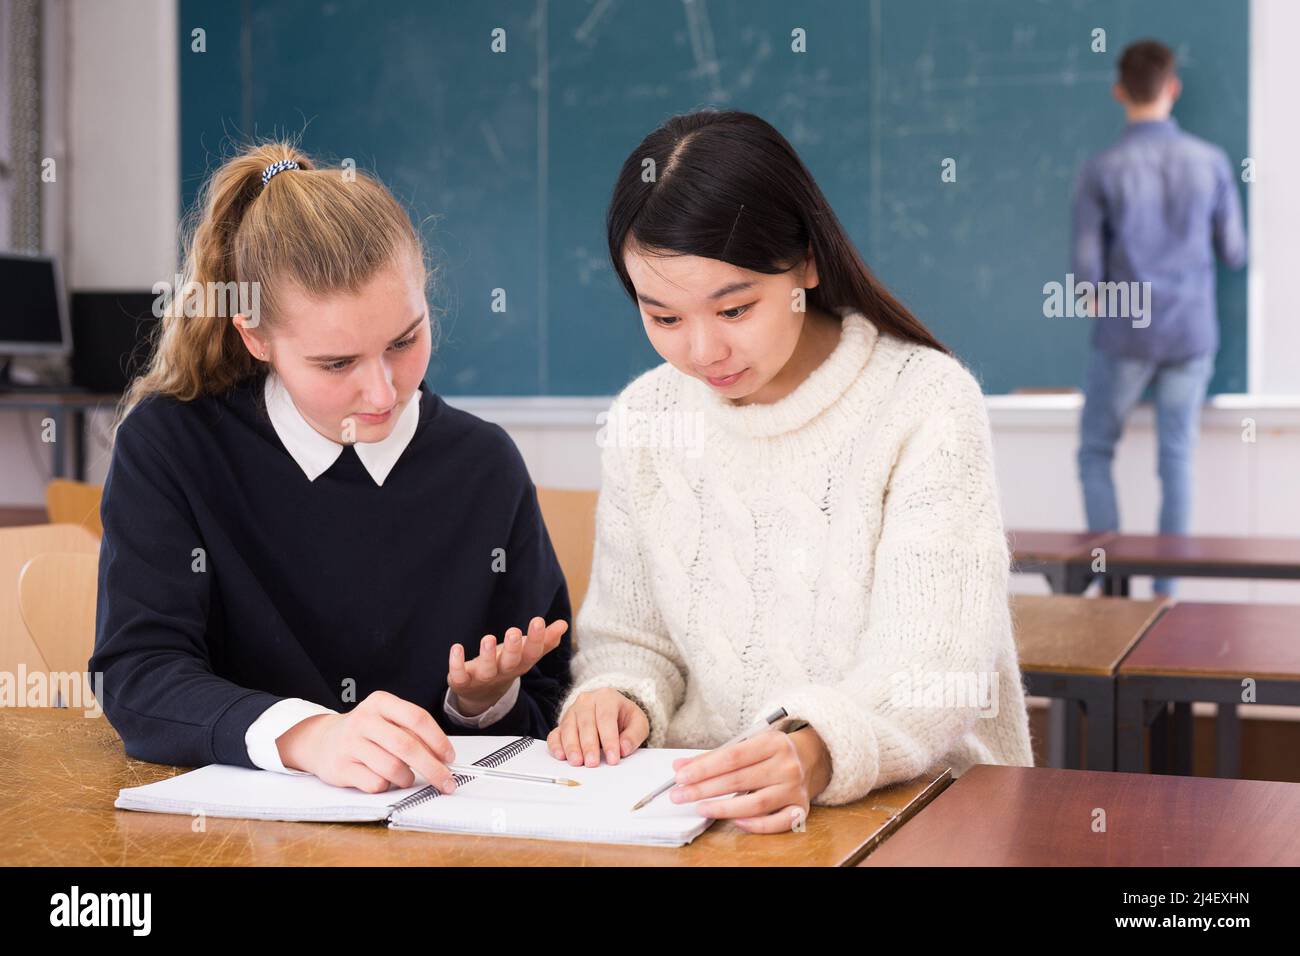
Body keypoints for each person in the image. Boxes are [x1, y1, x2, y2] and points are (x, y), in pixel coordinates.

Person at [547, 110, 1033, 833]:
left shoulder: (925, 401)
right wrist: (617, 696)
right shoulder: (646, 420)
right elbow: (632, 641)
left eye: (735, 307)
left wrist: (815, 751)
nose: (704, 349)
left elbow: (933, 670)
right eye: (664, 318)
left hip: (919, 813)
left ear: (806, 262)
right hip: (707, 816)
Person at [90, 143, 571, 794]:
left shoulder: (484, 467)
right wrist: (311, 737)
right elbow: (139, 676)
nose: (382, 392)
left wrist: (483, 704)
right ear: (256, 338)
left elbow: (552, 705)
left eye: (405, 341)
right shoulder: (172, 445)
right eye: (337, 363)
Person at [1074, 39, 1247, 595]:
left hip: (1127, 332)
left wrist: (1095, 296)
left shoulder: (1101, 169)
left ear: (1119, 91)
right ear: (1172, 87)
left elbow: (1084, 272)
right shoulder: (1212, 162)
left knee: (1097, 450)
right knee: (1176, 457)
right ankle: (1166, 600)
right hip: (1191, 332)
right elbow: (1235, 252)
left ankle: (1111, 590)